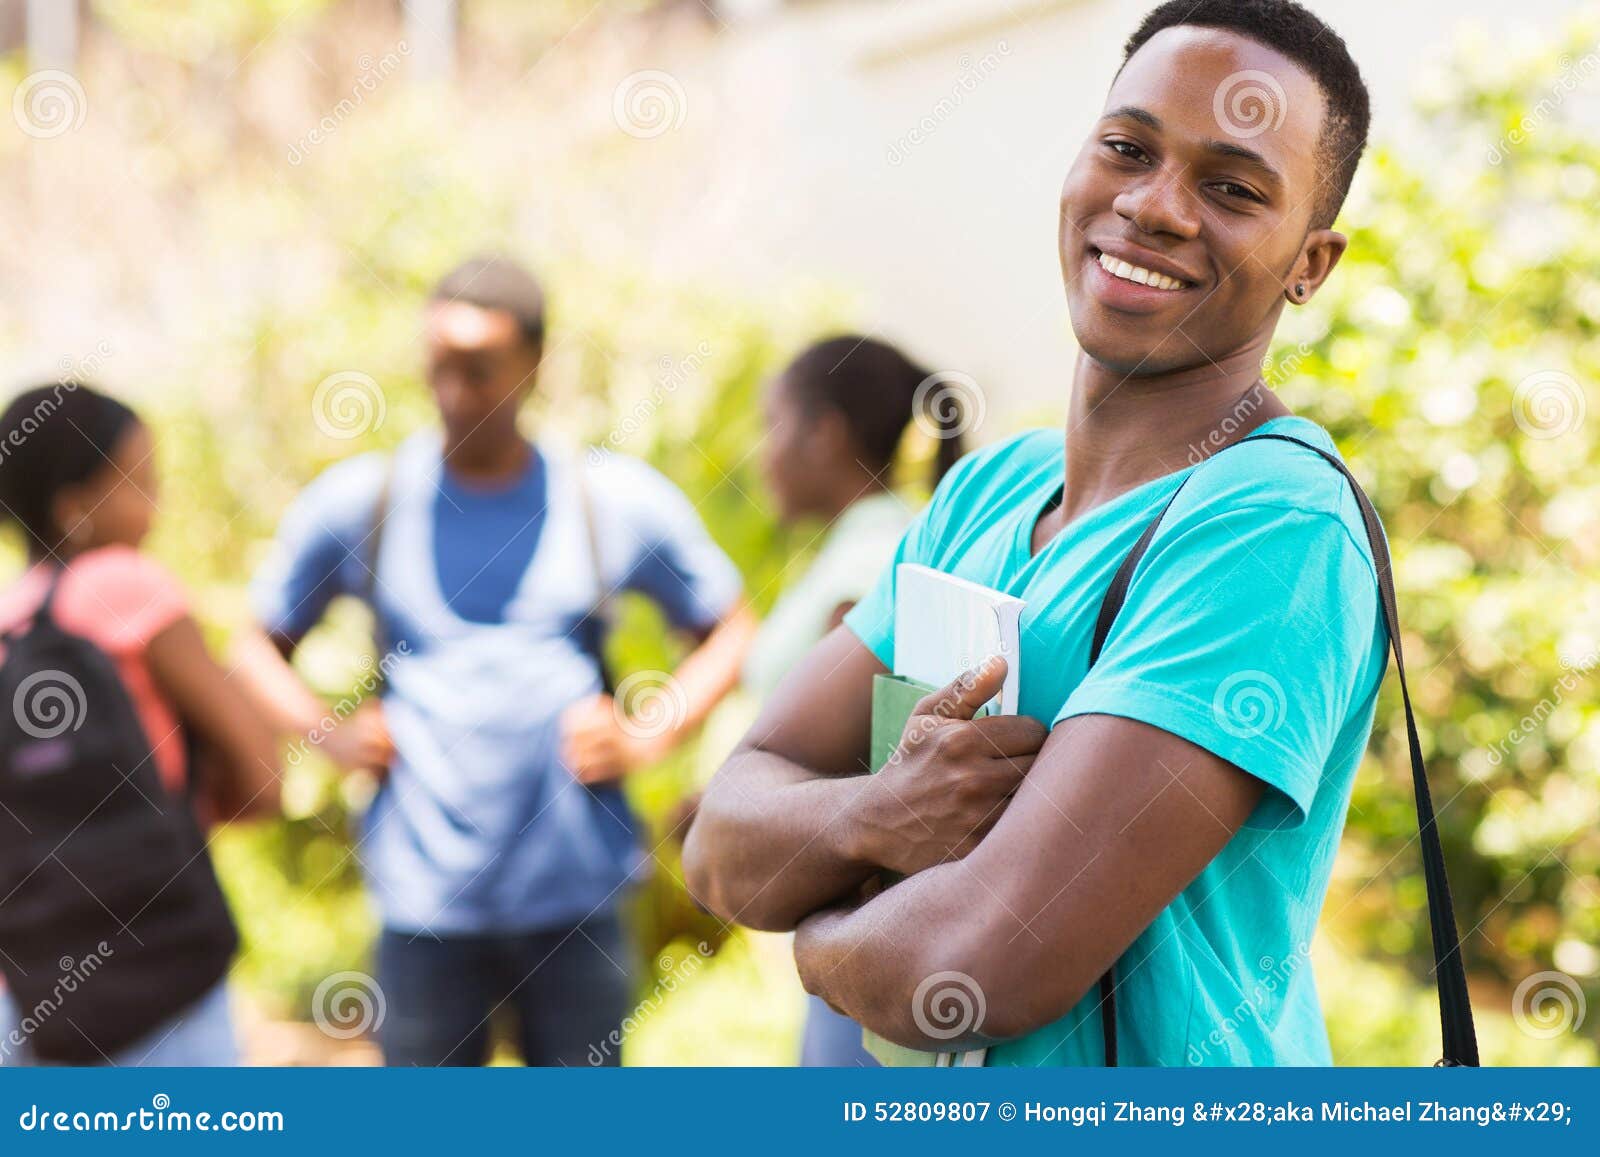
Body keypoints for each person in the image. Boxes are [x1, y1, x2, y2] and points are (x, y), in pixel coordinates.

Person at [686, 0, 1394, 1065]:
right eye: (1126, 147)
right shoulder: (986, 494)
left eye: (1233, 187)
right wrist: (877, 815)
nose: (1154, 206)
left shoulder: (1273, 527)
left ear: (1309, 262)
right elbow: (723, 841)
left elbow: (978, 966)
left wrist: (820, 934)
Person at [234, 255, 756, 1067]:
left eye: (479, 366)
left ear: (532, 367)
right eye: (439, 362)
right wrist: (328, 733)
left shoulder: (606, 500)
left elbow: (730, 626)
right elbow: (253, 644)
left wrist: (651, 730)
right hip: (424, 901)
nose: (454, 385)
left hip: (576, 893)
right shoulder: (364, 503)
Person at [0, 383, 279, 1066]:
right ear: (75, 509)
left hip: (33, 992)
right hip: (162, 975)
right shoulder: (128, 585)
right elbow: (262, 780)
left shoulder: (7, 625)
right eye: (140, 484)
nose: (156, 508)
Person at [742, 335, 963, 1066]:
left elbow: (864, 755)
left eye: (771, 425)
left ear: (824, 434)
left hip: (863, 912)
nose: (760, 451)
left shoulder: (872, 559)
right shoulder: (866, 542)